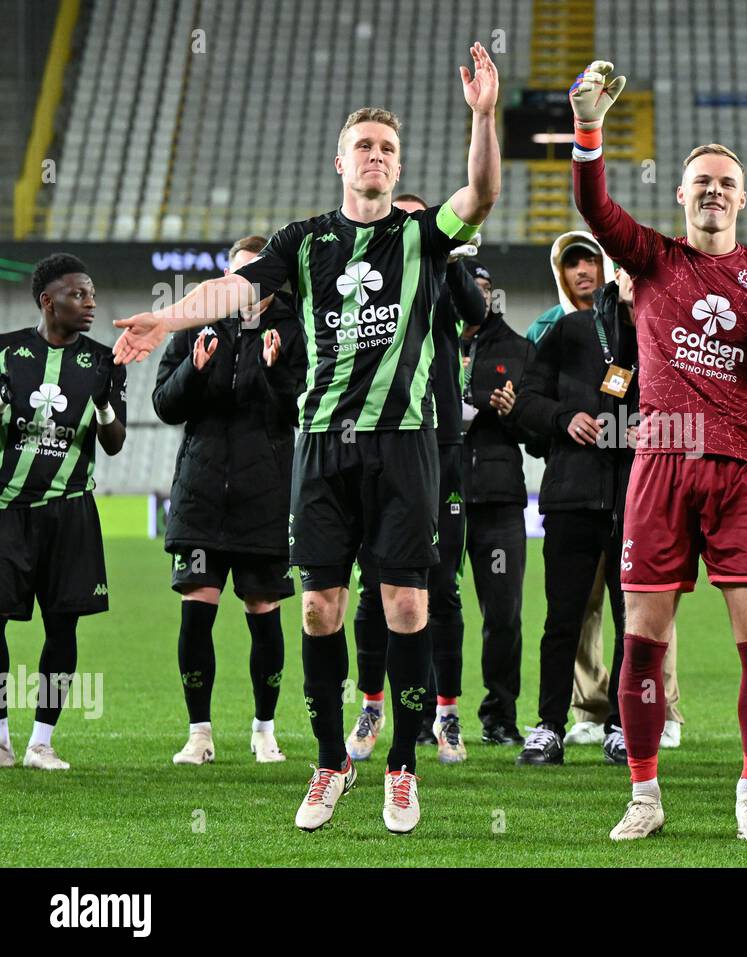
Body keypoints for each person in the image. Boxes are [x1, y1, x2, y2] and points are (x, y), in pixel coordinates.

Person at [112, 42, 500, 834]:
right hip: (321, 442)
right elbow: (234, 286)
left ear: (398, 166)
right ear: (339, 160)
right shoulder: (305, 240)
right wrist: (167, 315)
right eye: (364, 145)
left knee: (406, 604)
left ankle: (402, 768)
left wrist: (484, 116)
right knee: (320, 608)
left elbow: (483, 193)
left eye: (388, 149)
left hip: (403, 442)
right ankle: (331, 762)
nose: (377, 157)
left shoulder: (424, 234)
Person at [569, 61, 747, 841]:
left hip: (744, 469)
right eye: (700, 180)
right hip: (660, 464)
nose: (713, 190)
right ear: (681, 195)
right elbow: (593, 206)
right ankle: (644, 793)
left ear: (743, 198)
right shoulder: (652, 259)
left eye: (725, 182)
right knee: (642, 636)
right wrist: (587, 128)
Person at [345, 192, 487, 768]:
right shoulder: (361, 282)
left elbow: (475, 313)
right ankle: (372, 705)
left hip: (439, 441)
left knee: (443, 585)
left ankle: (446, 712)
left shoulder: (440, 269)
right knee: (372, 583)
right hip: (371, 441)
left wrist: (450, 259)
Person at [154, 235, 306, 767]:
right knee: (196, 614)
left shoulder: (296, 326)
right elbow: (165, 404)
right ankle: (199, 733)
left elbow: (301, 411)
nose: (242, 287)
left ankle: (264, 730)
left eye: (254, 276)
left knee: (264, 614)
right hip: (201, 495)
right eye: (235, 276)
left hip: (265, 497)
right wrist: (194, 370)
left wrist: (272, 372)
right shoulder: (197, 322)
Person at [0, 254, 127, 770]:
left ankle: (41, 743)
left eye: (92, 293)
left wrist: (103, 405)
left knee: (63, 627)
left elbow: (114, 445)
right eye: (78, 294)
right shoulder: (5, 354)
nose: (90, 302)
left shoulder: (103, 361)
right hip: (6, 510)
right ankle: (2, 738)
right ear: (47, 301)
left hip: (70, 509)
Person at [515, 266, 639, 766]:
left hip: (639, 500)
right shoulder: (572, 330)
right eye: (628, 272)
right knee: (561, 619)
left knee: (634, 623)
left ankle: (622, 726)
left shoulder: (668, 337)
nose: (637, 280)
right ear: (618, 277)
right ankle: (549, 725)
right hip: (573, 496)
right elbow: (526, 401)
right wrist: (564, 418)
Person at [459, 259, 536, 745]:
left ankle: (500, 718)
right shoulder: (425, 339)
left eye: (486, 287)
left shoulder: (518, 350)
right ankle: (426, 719)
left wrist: (513, 414)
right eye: (470, 286)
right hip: (433, 493)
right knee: (426, 610)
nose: (480, 295)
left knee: (503, 614)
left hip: (499, 499)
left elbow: (535, 434)